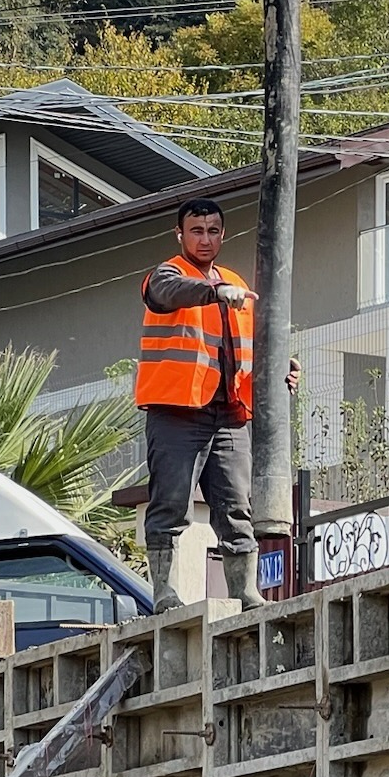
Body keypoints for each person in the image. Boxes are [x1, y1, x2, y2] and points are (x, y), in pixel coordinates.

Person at [135, 197, 295, 614]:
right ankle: (165, 593)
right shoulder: (167, 276)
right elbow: (168, 293)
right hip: (176, 410)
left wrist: (281, 374)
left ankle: (245, 592)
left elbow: (252, 350)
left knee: (236, 507)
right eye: (196, 231)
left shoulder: (236, 282)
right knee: (170, 503)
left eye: (212, 231)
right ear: (180, 234)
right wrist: (215, 292)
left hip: (229, 414)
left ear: (223, 235)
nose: (204, 239)